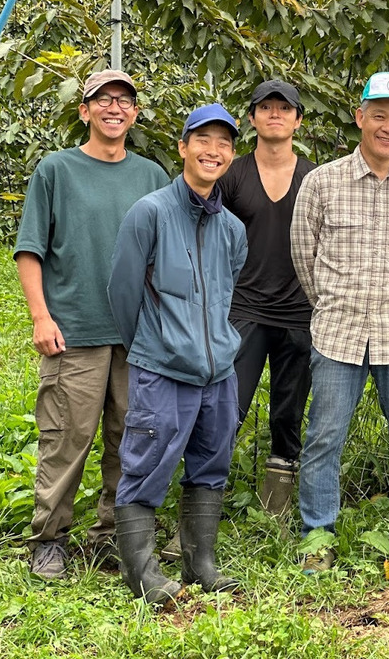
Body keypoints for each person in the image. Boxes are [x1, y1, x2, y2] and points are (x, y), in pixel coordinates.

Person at [290, 72, 389, 573]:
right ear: (360, 117)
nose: (388, 127)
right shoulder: (322, 182)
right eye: (378, 115)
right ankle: (318, 539)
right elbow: (304, 254)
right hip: (338, 331)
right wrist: (332, 303)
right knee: (324, 438)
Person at [14, 70, 168, 579]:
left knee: (131, 439)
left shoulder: (151, 176)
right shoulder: (56, 170)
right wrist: (41, 316)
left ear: (135, 114)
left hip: (137, 337)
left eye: (124, 100)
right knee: (66, 439)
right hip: (74, 331)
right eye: (103, 99)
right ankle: (49, 539)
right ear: (85, 111)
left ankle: (112, 536)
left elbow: (165, 254)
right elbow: (30, 249)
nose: (114, 107)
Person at [160, 80, 316, 560]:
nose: (275, 115)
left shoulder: (315, 178)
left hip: (301, 311)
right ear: (252, 118)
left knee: (288, 415)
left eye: (284, 108)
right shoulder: (233, 174)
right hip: (242, 309)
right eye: (265, 107)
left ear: (298, 120)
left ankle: (275, 515)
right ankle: (192, 525)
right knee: (224, 412)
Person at [107, 104, 248, 605]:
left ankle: (200, 564)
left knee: (211, 464)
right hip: (163, 368)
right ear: (184, 147)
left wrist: (215, 347)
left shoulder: (232, 229)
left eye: (224, 143)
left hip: (218, 372)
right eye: (203, 140)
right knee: (146, 465)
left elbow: (227, 293)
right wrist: (154, 344)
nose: (214, 151)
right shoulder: (150, 213)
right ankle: (142, 574)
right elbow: (122, 291)